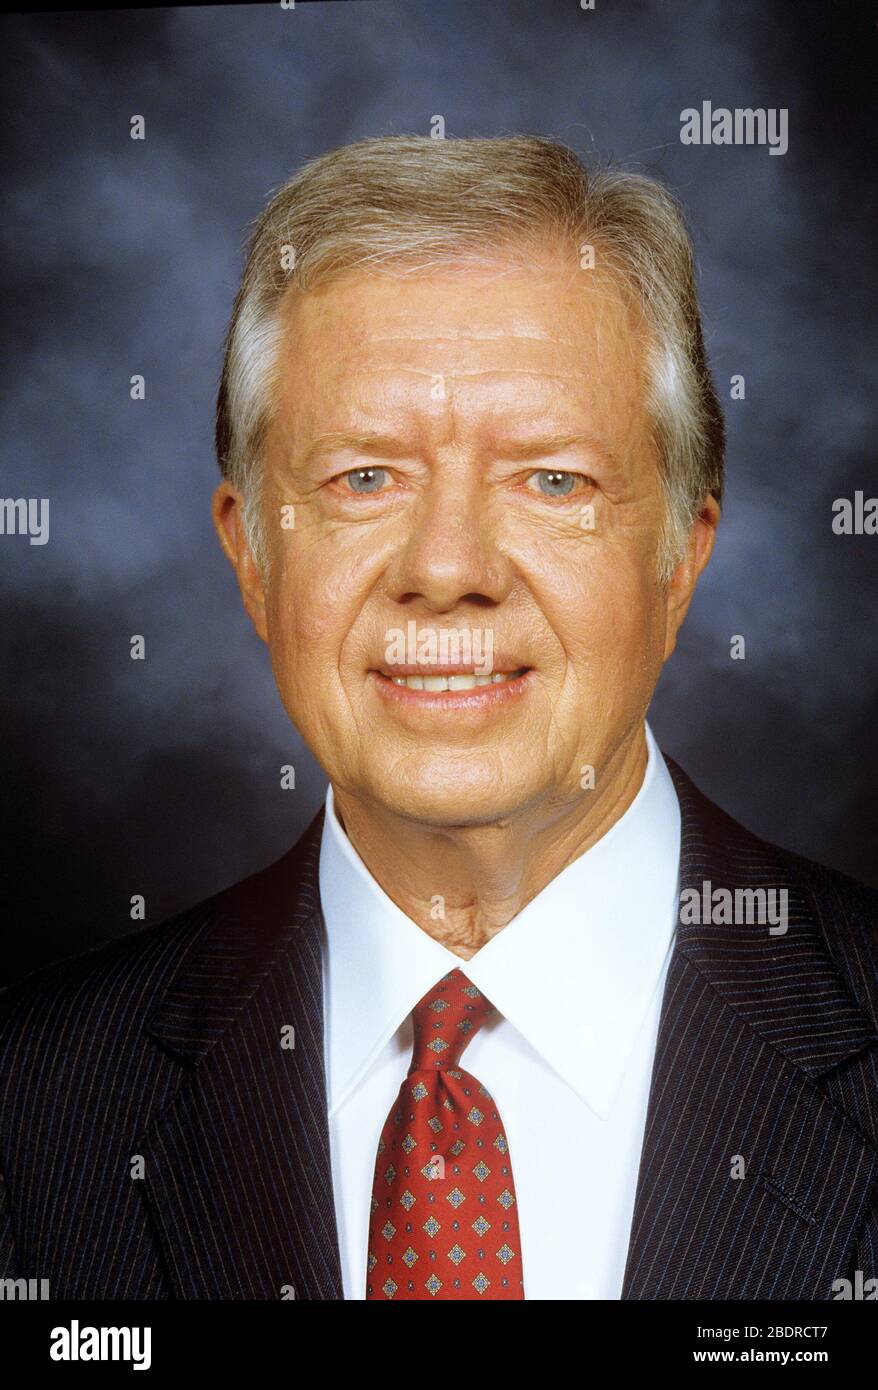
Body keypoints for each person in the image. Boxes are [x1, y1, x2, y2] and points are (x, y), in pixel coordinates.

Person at [2, 135, 876, 1301]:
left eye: (550, 478)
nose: (447, 566)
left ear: (678, 559)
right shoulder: (32, 1103)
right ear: (251, 555)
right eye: (364, 477)